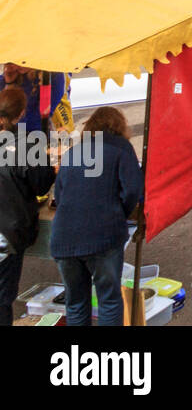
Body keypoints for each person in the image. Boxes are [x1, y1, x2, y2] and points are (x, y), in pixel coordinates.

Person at [50, 106, 142, 327]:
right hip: (103, 235)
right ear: (120, 126)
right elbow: (133, 191)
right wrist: (119, 213)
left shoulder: (74, 152)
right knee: (109, 300)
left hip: (64, 238)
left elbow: (59, 196)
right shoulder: (122, 148)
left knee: (75, 303)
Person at [0, 86, 56, 326]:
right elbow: (41, 186)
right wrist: (53, 169)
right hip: (9, 234)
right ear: (21, 113)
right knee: (3, 297)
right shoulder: (26, 146)